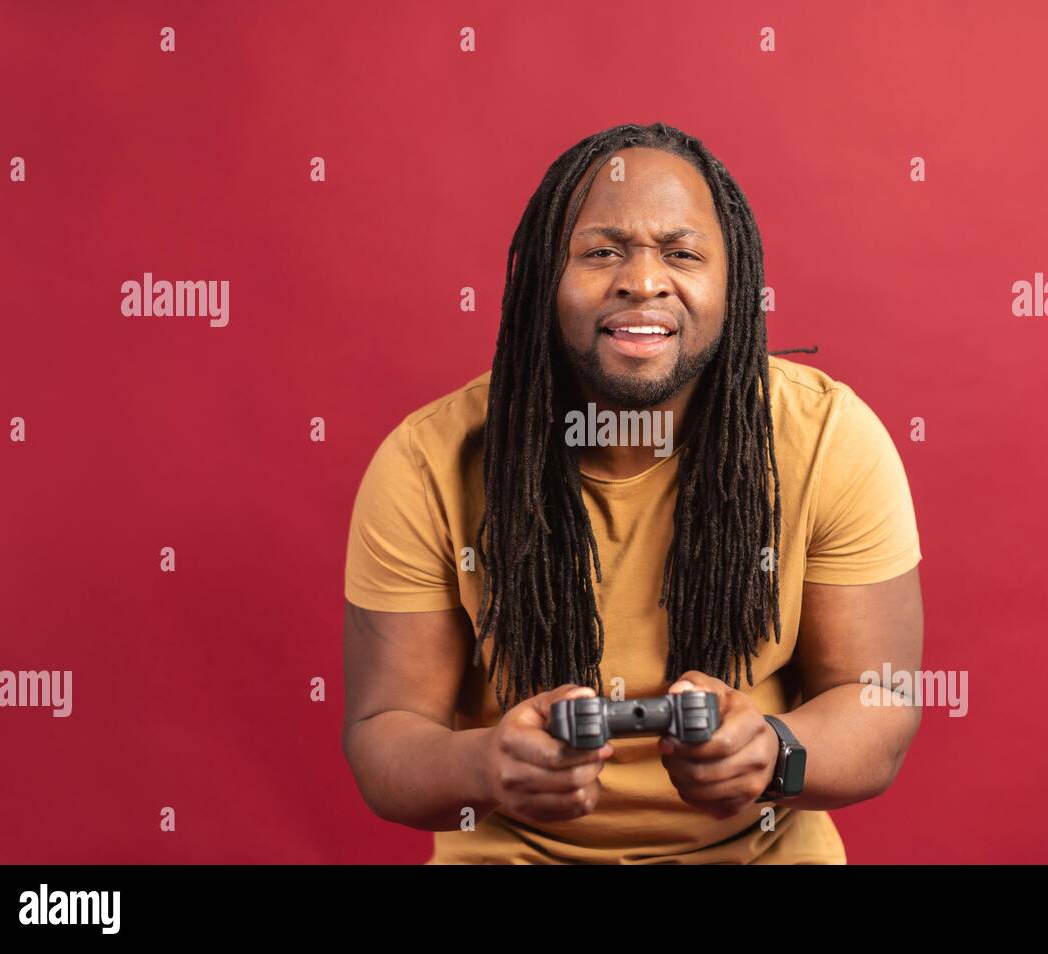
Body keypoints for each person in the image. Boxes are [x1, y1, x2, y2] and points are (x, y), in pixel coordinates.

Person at [341, 121, 924, 864]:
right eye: (602, 252)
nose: (643, 282)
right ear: (542, 281)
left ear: (733, 282)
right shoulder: (427, 462)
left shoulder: (829, 439)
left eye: (682, 254)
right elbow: (382, 732)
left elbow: (882, 707)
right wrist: (485, 765)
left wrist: (775, 751)